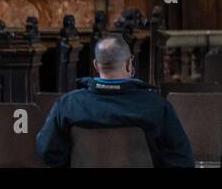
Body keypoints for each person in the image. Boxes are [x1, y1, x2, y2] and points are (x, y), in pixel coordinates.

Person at [36, 35, 194, 167]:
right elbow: (182, 160)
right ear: (128, 64)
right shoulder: (157, 107)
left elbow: (47, 152)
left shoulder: (67, 105)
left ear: (96, 66)